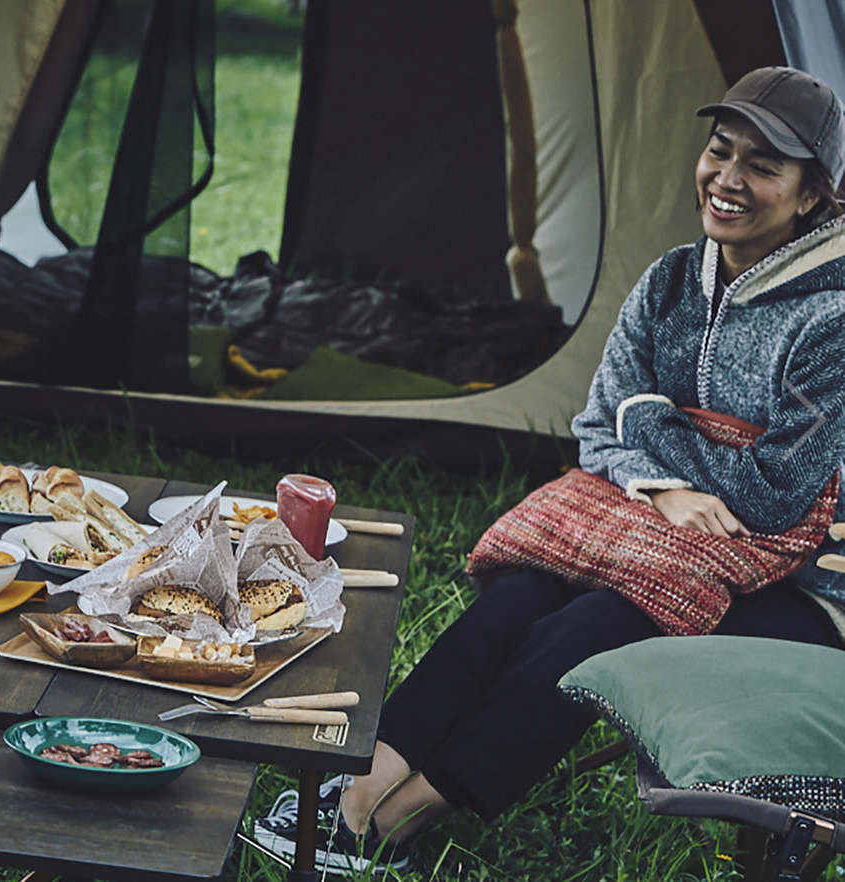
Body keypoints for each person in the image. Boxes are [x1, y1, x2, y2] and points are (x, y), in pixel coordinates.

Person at [255, 66, 845, 877]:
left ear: (812, 197)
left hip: (801, 585)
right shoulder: (673, 279)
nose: (728, 179)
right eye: (720, 151)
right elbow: (595, 428)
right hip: (661, 535)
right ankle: (360, 792)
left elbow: (771, 494)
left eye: (764, 166)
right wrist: (662, 480)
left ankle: (406, 817)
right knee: (523, 598)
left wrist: (648, 419)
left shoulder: (831, 319)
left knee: (596, 626)